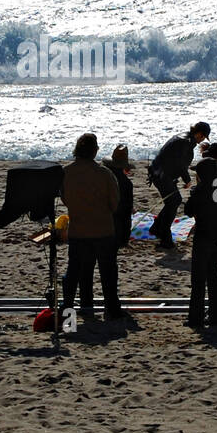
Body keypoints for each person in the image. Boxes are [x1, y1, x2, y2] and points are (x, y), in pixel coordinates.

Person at [60, 133, 123, 321]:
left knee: (75, 271)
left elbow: (64, 198)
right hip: (103, 230)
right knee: (108, 272)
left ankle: (71, 307)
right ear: (95, 151)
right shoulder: (104, 174)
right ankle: (111, 309)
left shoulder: (66, 172)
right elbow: (115, 203)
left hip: (78, 230)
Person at [184, 155, 217, 329]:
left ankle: (196, 318)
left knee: (198, 279)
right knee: (214, 276)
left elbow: (188, 211)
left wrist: (192, 196)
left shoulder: (201, 189)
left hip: (204, 234)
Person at [147, 122, 210, 248]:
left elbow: (177, 161)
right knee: (174, 202)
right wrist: (187, 180)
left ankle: (156, 228)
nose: (202, 139)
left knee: (173, 201)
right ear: (198, 133)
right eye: (203, 136)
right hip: (161, 175)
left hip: (162, 173)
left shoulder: (185, 139)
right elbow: (180, 163)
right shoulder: (185, 141)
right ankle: (165, 237)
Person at [104, 144, 135, 251]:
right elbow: (126, 214)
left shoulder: (102, 176)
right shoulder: (126, 183)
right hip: (115, 230)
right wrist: (125, 239)